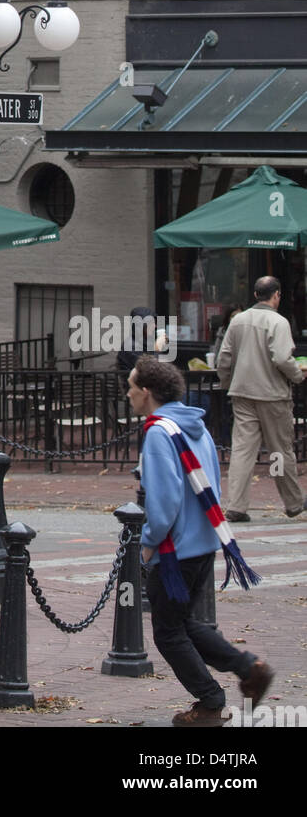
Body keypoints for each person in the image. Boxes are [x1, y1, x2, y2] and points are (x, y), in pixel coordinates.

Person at [128, 355, 272, 727]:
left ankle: (210, 702)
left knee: (167, 632)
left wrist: (148, 541)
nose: (127, 394)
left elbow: (164, 501)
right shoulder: (197, 427)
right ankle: (249, 669)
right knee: (184, 623)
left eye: (130, 387)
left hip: (174, 553)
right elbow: (213, 484)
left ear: (146, 392)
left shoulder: (159, 432)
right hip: (205, 543)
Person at [216, 276, 305, 523]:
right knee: (279, 451)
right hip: (273, 394)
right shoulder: (279, 322)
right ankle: (292, 502)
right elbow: (282, 359)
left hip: (242, 393)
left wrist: (227, 384)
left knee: (243, 450)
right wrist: (297, 376)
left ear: (255, 295)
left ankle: (236, 505)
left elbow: (223, 358)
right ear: (276, 295)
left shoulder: (238, 321)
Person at [116, 307, 158, 372]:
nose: (155, 326)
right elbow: (150, 368)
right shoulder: (131, 346)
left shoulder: (144, 342)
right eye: (151, 323)